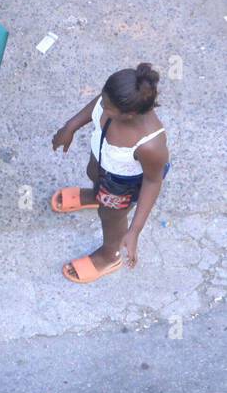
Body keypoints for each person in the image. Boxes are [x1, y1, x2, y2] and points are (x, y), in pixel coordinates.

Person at [51, 64, 169, 283]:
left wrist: (134, 230)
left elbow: (153, 182)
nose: (102, 107)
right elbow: (97, 104)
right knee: (93, 173)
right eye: (103, 100)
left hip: (122, 183)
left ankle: (109, 255)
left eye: (108, 107)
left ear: (130, 114)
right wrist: (71, 126)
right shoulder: (113, 101)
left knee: (111, 216)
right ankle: (97, 195)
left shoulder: (150, 145)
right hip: (104, 162)